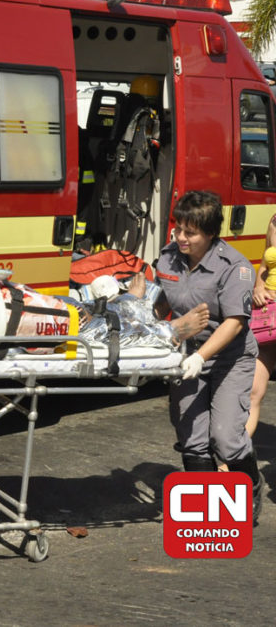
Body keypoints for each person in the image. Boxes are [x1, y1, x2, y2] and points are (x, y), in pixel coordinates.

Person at [150, 190, 262, 519]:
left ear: (210, 234)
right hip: (186, 354)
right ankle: (211, 511)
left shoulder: (235, 267)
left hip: (229, 358)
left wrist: (201, 357)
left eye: (190, 232)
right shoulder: (169, 257)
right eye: (178, 229)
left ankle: (247, 490)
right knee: (192, 439)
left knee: (226, 439)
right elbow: (162, 304)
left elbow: (235, 324)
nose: (181, 238)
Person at [248, 212, 276, 436]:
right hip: (269, 316)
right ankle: (231, 463)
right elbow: (266, 263)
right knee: (252, 392)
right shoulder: (275, 219)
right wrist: (258, 287)